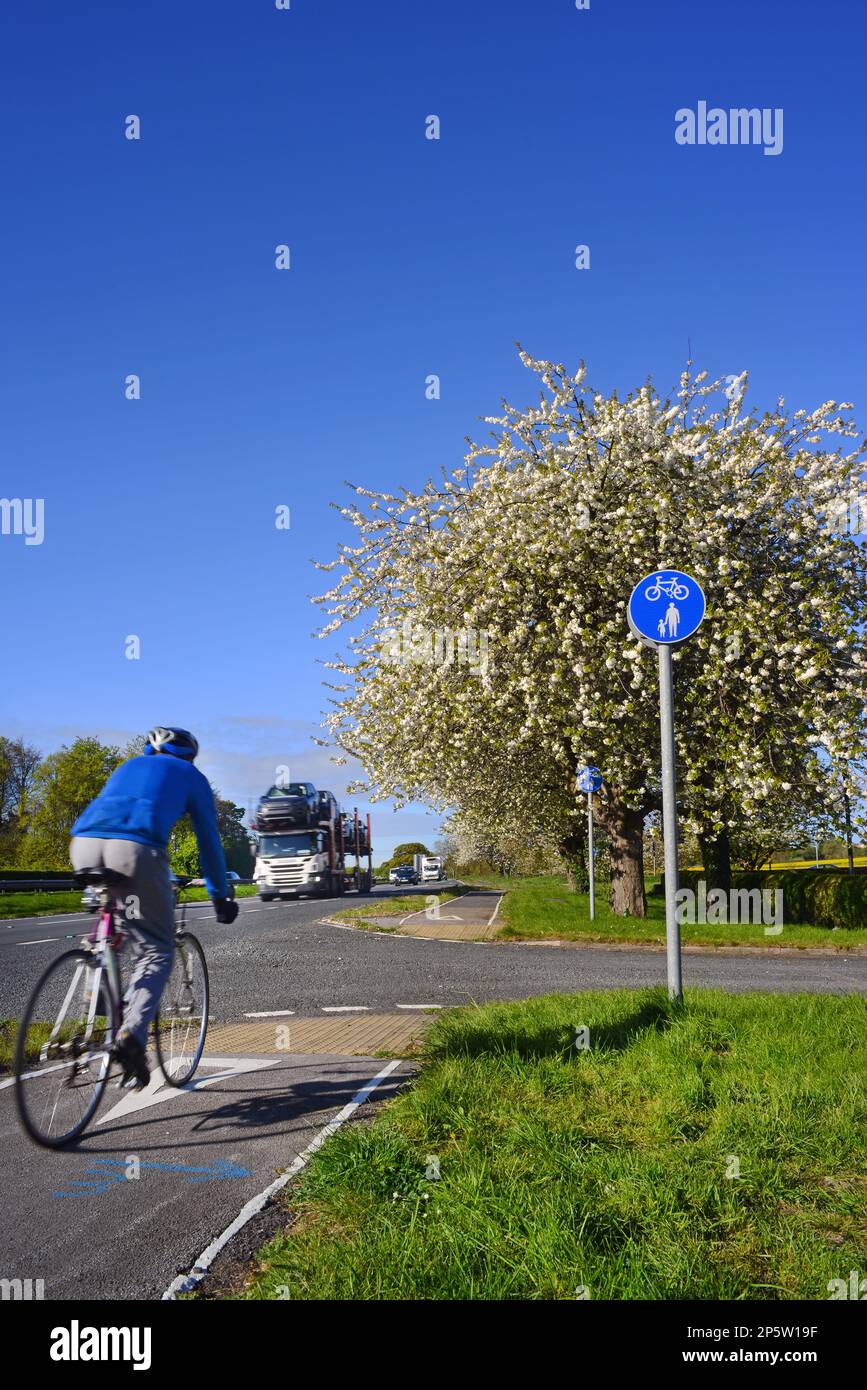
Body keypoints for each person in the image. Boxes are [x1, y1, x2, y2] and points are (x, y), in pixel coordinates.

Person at [69, 726, 238, 1088]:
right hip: (135, 851)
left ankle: (96, 980)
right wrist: (220, 895)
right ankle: (131, 1037)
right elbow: (208, 841)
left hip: (83, 843)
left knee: (117, 920)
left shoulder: (128, 765)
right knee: (157, 951)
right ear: (189, 754)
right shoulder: (191, 775)